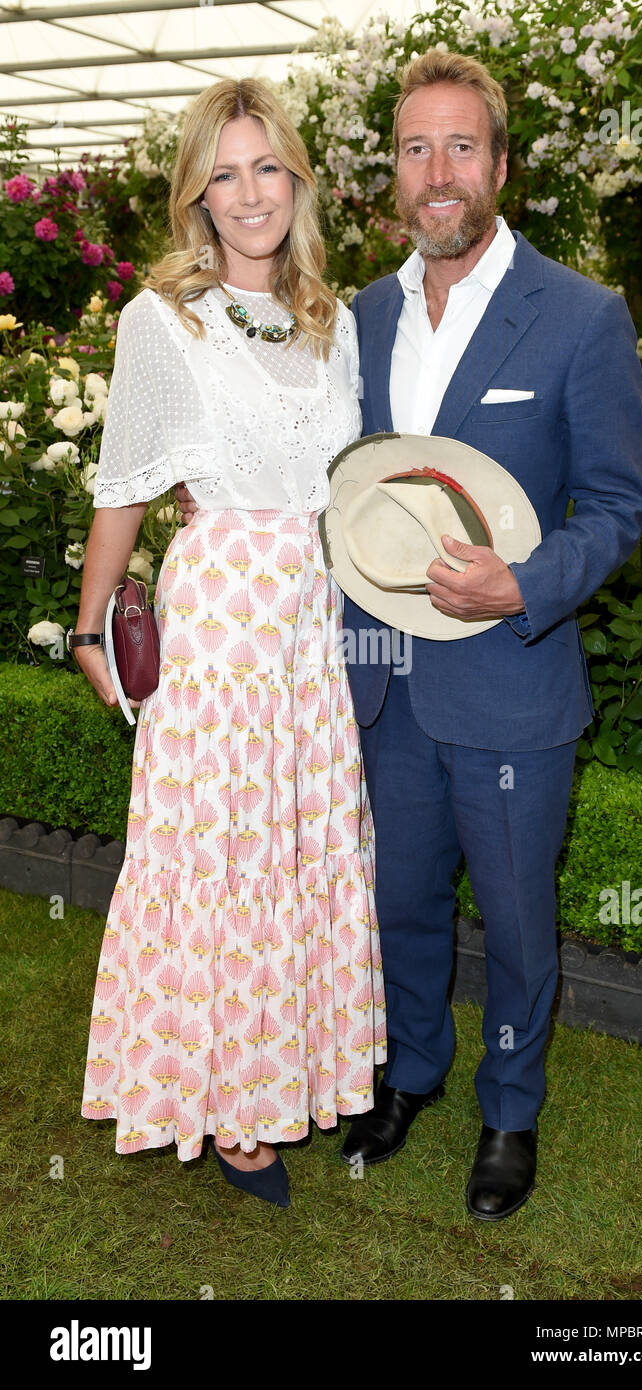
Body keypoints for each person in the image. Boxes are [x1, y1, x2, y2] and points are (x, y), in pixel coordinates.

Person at [176, 50, 642, 1221]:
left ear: (498, 165)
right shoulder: (355, 319)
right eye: (412, 149)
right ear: (389, 172)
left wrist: (527, 582)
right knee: (395, 904)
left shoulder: (580, 317)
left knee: (514, 916)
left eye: (457, 147)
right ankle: (407, 1073)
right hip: (374, 686)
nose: (435, 173)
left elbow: (616, 504)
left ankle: (506, 1108)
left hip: (511, 681)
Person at [73, 77, 386, 1210]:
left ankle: (286, 1073)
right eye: (224, 171)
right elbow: (124, 485)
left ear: (294, 179)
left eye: (265, 167)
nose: (247, 191)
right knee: (218, 857)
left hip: (310, 623)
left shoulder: (330, 318)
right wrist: (88, 620)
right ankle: (215, 1102)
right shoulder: (161, 321)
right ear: (196, 192)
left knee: (301, 848)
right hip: (216, 624)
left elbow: (345, 488)